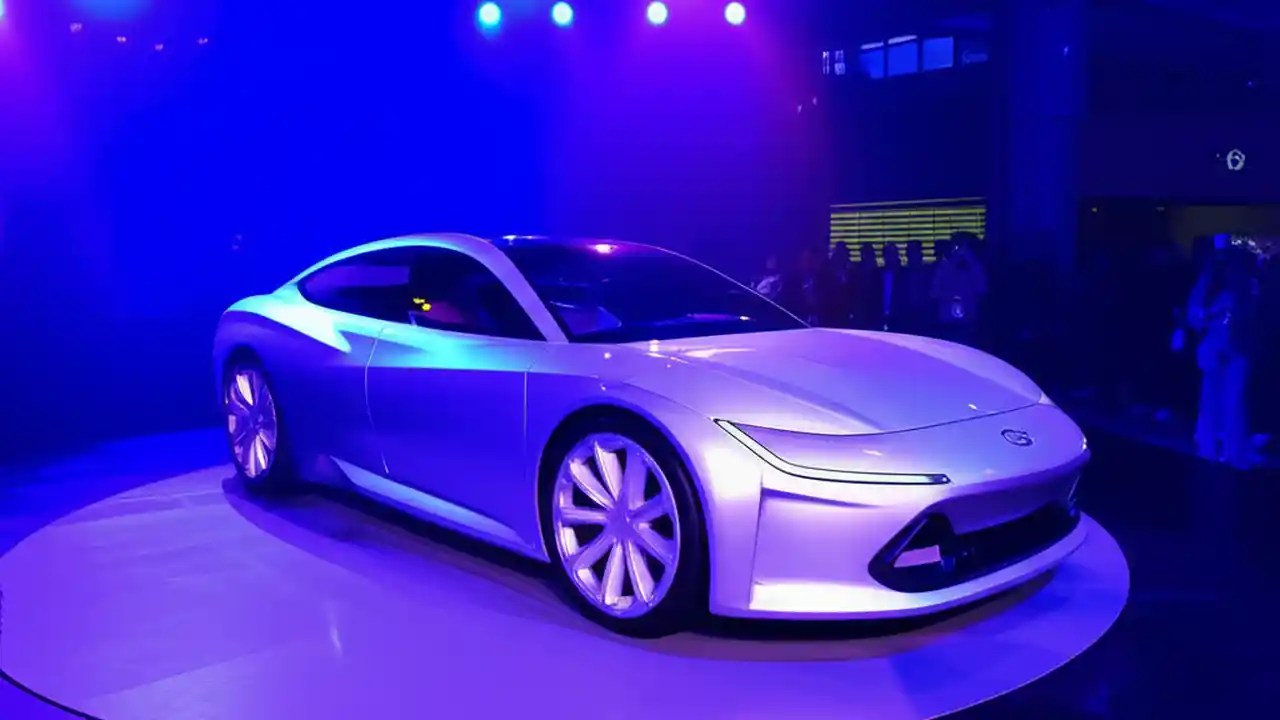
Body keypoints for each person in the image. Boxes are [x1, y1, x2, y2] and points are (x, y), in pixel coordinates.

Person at [1187, 242, 1258, 468]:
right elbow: (1198, 316)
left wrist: (1216, 323)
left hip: (1232, 349)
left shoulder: (1246, 288)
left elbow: (1234, 317)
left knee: (1229, 401)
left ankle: (1227, 453)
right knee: (1219, 400)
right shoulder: (1226, 288)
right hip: (1221, 349)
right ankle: (1216, 450)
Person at [929, 232, 987, 345]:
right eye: (956, 244)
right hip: (946, 321)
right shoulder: (943, 267)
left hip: (969, 322)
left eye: (961, 244)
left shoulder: (975, 267)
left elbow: (981, 291)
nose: (958, 248)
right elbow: (934, 293)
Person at [814, 243, 853, 327]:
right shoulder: (825, 268)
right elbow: (819, 288)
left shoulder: (848, 269)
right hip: (827, 309)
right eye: (841, 253)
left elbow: (850, 290)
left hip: (843, 311)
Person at [849, 243, 882, 330]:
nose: (867, 257)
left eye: (869, 254)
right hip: (860, 315)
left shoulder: (879, 274)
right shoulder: (856, 274)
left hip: (874, 316)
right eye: (865, 254)